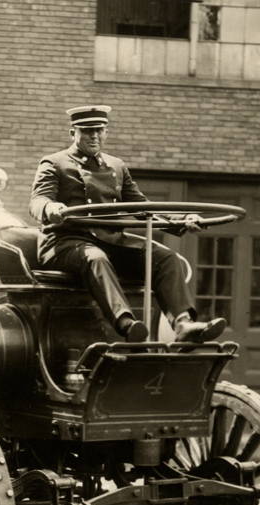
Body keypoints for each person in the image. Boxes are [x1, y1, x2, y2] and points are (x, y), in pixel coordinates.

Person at [30, 106, 226, 344]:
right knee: (95, 258)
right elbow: (39, 200)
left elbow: (141, 206)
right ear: (73, 133)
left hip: (109, 240)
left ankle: (182, 324)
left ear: (106, 133)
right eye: (87, 131)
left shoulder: (116, 166)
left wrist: (181, 220)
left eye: (99, 130)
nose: (94, 136)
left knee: (165, 257)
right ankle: (127, 325)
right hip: (65, 243)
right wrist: (51, 209)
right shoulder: (55, 162)